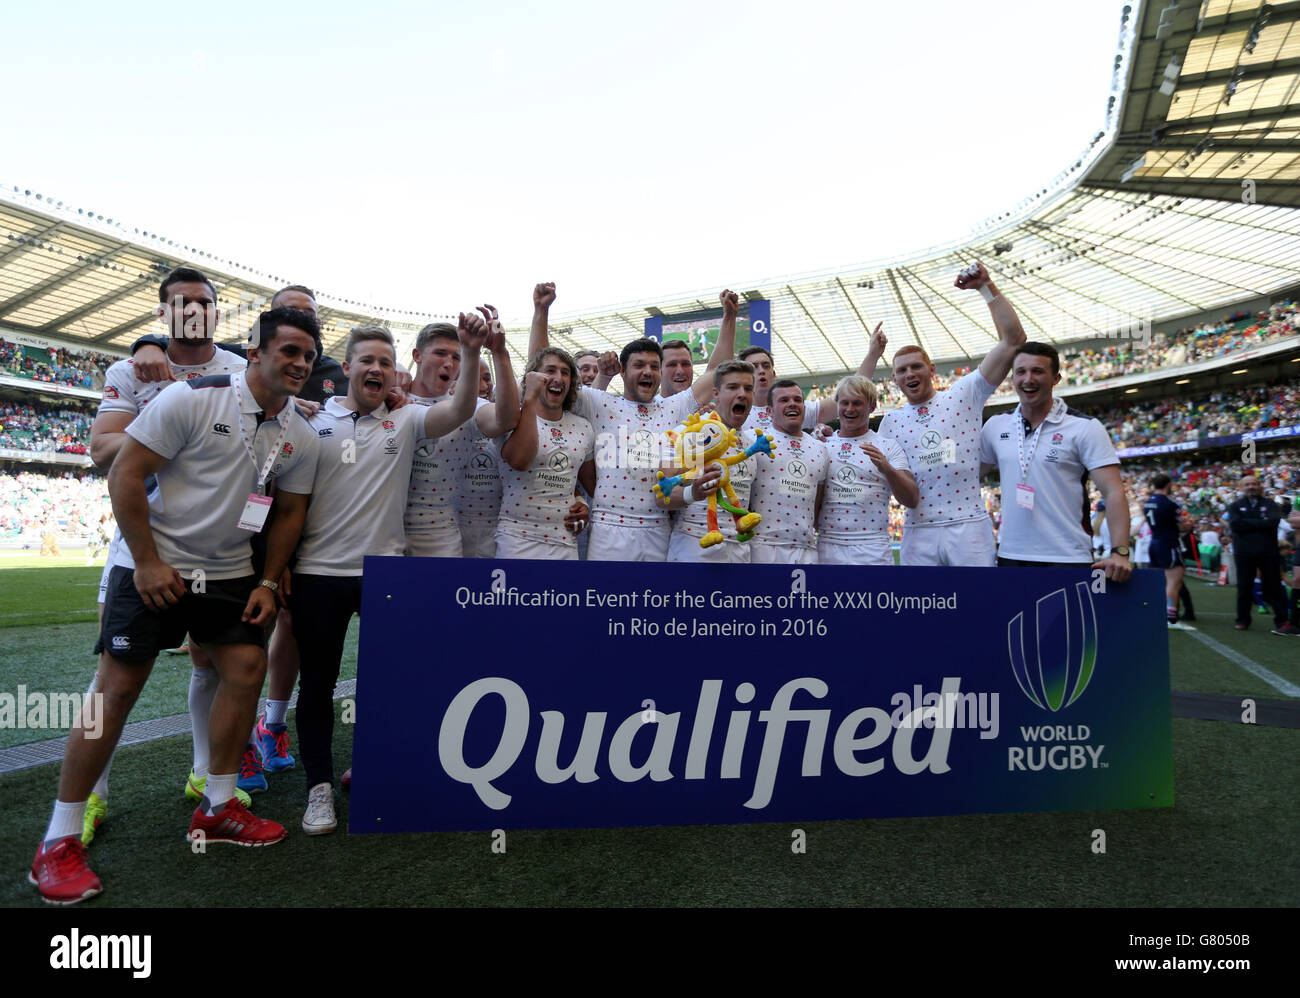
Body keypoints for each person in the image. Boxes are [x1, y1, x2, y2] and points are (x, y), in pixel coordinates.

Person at [30, 307, 322, 904]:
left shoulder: (302, 433)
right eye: (288, 351)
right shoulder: (193, 399)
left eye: (308, 356)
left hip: (228, 571)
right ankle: (58, 838)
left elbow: (288, 511)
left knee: (244, 668)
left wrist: (268, 581)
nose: (298, 363)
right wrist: (145, 561)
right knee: (115, 688)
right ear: (256, 352)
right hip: (154, 560)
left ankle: (217, 806)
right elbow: (126, 474)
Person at [290, 316, 489, 835]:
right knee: (317, 684)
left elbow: (462, 407)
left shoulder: (405, 420)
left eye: (385, 361)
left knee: (392, 678)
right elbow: (286, 503)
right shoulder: (311, 421)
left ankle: (383, 771)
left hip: (386, 574)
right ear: (348, 368)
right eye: (366, 361)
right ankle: (318, 788)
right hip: (318, 575)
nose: (375, 369)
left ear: (395, 371)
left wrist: (469, 351)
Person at [83, 267, 252, 844]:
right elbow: (102, 449)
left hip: (215, 545)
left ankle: (205, 776)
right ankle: (89, 796)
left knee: (212, 660)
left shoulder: (238, 371)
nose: (193, 311)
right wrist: (169, 431)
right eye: (180, 303)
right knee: (114, 671)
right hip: (141, 541)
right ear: (163, 314)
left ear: (215, 313)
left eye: (203, 303)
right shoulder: (130, 369)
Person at [529, 284, 737, 562]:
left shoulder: (674, 406)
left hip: (657, 528)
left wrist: (729, 318)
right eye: (639, 365)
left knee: (652, 603)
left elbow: (715, 371)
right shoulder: (599, 402)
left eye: (654, 365)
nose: (648, 371)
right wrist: (541, 311)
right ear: (623, 371)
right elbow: (543, 367)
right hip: (608, 528)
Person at [867, 262, 1026, 566]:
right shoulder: (891, 422)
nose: (910, 373)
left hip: (967, 525)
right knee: (922, 610)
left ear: (931, 369)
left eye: (916, 366)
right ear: (895, 380)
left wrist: (985, 287)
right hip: (918, 529)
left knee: (979, 607)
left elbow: (1013, 341)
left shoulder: (964, 394)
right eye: (902, 370)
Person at [978, 343, 1131, 581]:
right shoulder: (996, 426)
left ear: (1056, 378)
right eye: (1021, 372)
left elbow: (1113, 491)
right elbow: (968, 477)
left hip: (1068, 558)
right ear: (1012, 378)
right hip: (1010, 556)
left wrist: (1120, 551)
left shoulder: (1085, 427)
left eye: (1037, 371)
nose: (1028, 379)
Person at [404, 312, 518, 558]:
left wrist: (499, 352)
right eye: (440, 353)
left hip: (440, 538)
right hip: (386, 533)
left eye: (456, 356)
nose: (449, 363)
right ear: (417, 356)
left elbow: (505, 419)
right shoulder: (389, 399)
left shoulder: (470, 406)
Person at [656, 360, 769, 563]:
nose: (742, 394)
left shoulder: (753, 445)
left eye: (748, 388)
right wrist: (694, 493)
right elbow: (661, 496)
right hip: (694, 547)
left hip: (740, 552)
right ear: (716, 393)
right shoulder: (687, 434)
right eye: (733, 387)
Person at [496, 348, 594, 559]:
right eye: (550, 370)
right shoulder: (513, 419)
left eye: (565, 372)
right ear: (533, 378)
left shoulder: (584, 427)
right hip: (517, 538)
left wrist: (583, 505)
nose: (558, 378)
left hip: (565, 540)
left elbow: (586, 483)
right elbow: (519, 461)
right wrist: (529, 398)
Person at [817, 375, 917, 565]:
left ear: (872, 407)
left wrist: (887, 469)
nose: (850, 409)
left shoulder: (888, 446)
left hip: (873, 549)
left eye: (857, 403)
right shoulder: (821, 444)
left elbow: (911, 498)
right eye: (844, 403)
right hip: (827, 547)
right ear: (837, 405)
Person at [747, 380, 829, 564]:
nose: (792, 403)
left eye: (797, 399)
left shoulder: (820, 449)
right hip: (762, 547)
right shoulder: (752, 440)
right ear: (769, 411)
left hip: (806, 549)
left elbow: (817, 503)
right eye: (783, 400)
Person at [1224, 474, 1294, 634]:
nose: (1251, 487)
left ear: (1259, 486)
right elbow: (1235, 525)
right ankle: (1243, 620)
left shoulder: (1270, 504)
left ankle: (1282, 621)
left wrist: (1248, 523)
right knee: (1244, 587)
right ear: (1242, 487)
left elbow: (1273, 522)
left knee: (1275, 587)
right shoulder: (1235, 505)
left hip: (1268, 552)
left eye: (1254, 484)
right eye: (1247, 484)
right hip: (1244, 553)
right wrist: (1261, 523)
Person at [1143, 475, 1190, 626]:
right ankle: (1169, 615)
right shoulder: (1170, 504)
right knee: (1173, 582)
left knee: (1159, 581)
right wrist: (1189, 526)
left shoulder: (1148, 503)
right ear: (1169, 485)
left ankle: (1156, 611)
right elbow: (1183, 525)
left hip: (1154, 542)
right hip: (1169, 544)